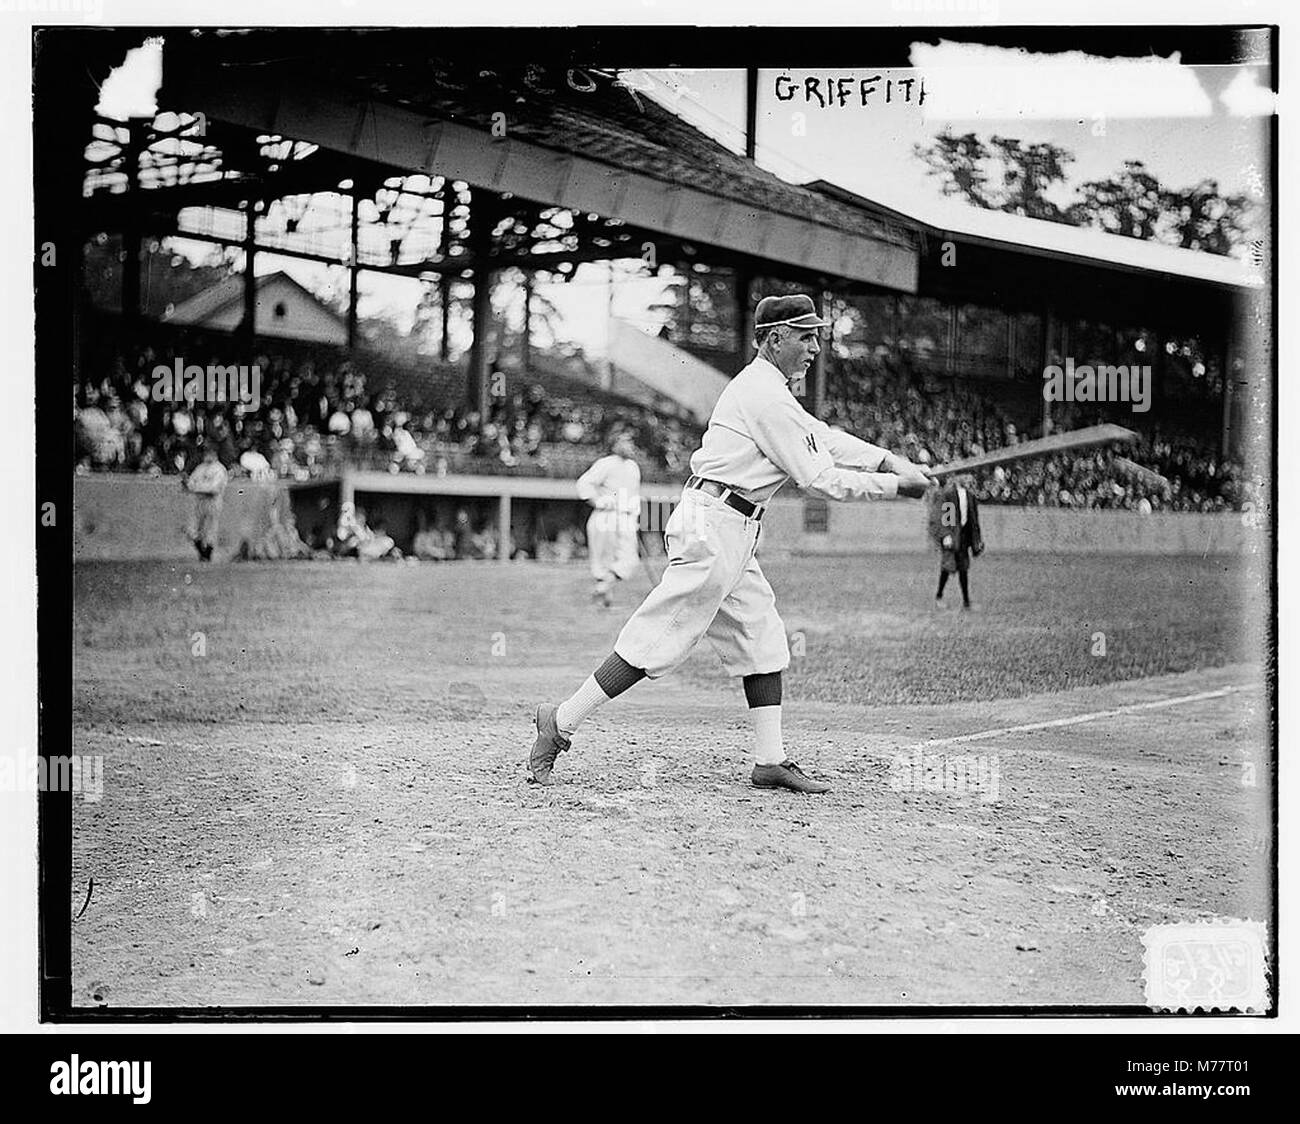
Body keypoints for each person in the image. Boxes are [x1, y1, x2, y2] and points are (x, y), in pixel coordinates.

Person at [528, 293, 933, 794]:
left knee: (763, 637)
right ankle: (560, 721)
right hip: (713, 522)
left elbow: (822, 436)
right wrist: (899, 487)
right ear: (774, 339)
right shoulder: (764, 395)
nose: (814, 348)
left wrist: (889, 461)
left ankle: (769, 761)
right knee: (661, 636)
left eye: (816, 337)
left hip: (735, 525)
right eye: (805, 337)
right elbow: (821, 477)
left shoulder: (775, 392)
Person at [575, 428, 642, 607]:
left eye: (631, 442)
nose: (630, 446)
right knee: (604, 560)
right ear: (615, 444)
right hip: (606, 516)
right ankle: (603, 600)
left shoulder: (633, 467)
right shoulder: (606, 463)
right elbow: (584, 483)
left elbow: (634, 496)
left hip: (626, 517)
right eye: (625, 441)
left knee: (629, 559)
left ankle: (602, 589)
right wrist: (597, 501)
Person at [930, 474, 983, 610]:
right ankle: (939, 596)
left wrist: (977, 540)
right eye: (964, 476)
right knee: (947, 567)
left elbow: (974, 521)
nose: (968, 479)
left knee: (964, 569)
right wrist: (946, 535)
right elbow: (946, 518)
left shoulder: (970, 496)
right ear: (957, 478)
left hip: (964, 537)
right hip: (953, 537)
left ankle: (966, 602)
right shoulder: (949, 495)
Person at [183, 444, 228, 562]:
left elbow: (214, 489)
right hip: (200, 502)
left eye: (210, 451)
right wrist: (195, 486)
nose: (207, 454)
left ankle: (206, 556)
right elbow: (190, 483)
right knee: (192, 531)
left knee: (210, 531)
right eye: (206, 451)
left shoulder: (219, 469)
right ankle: (202, 552)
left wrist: (197, 487)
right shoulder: (200, 468)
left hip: (213, 502)